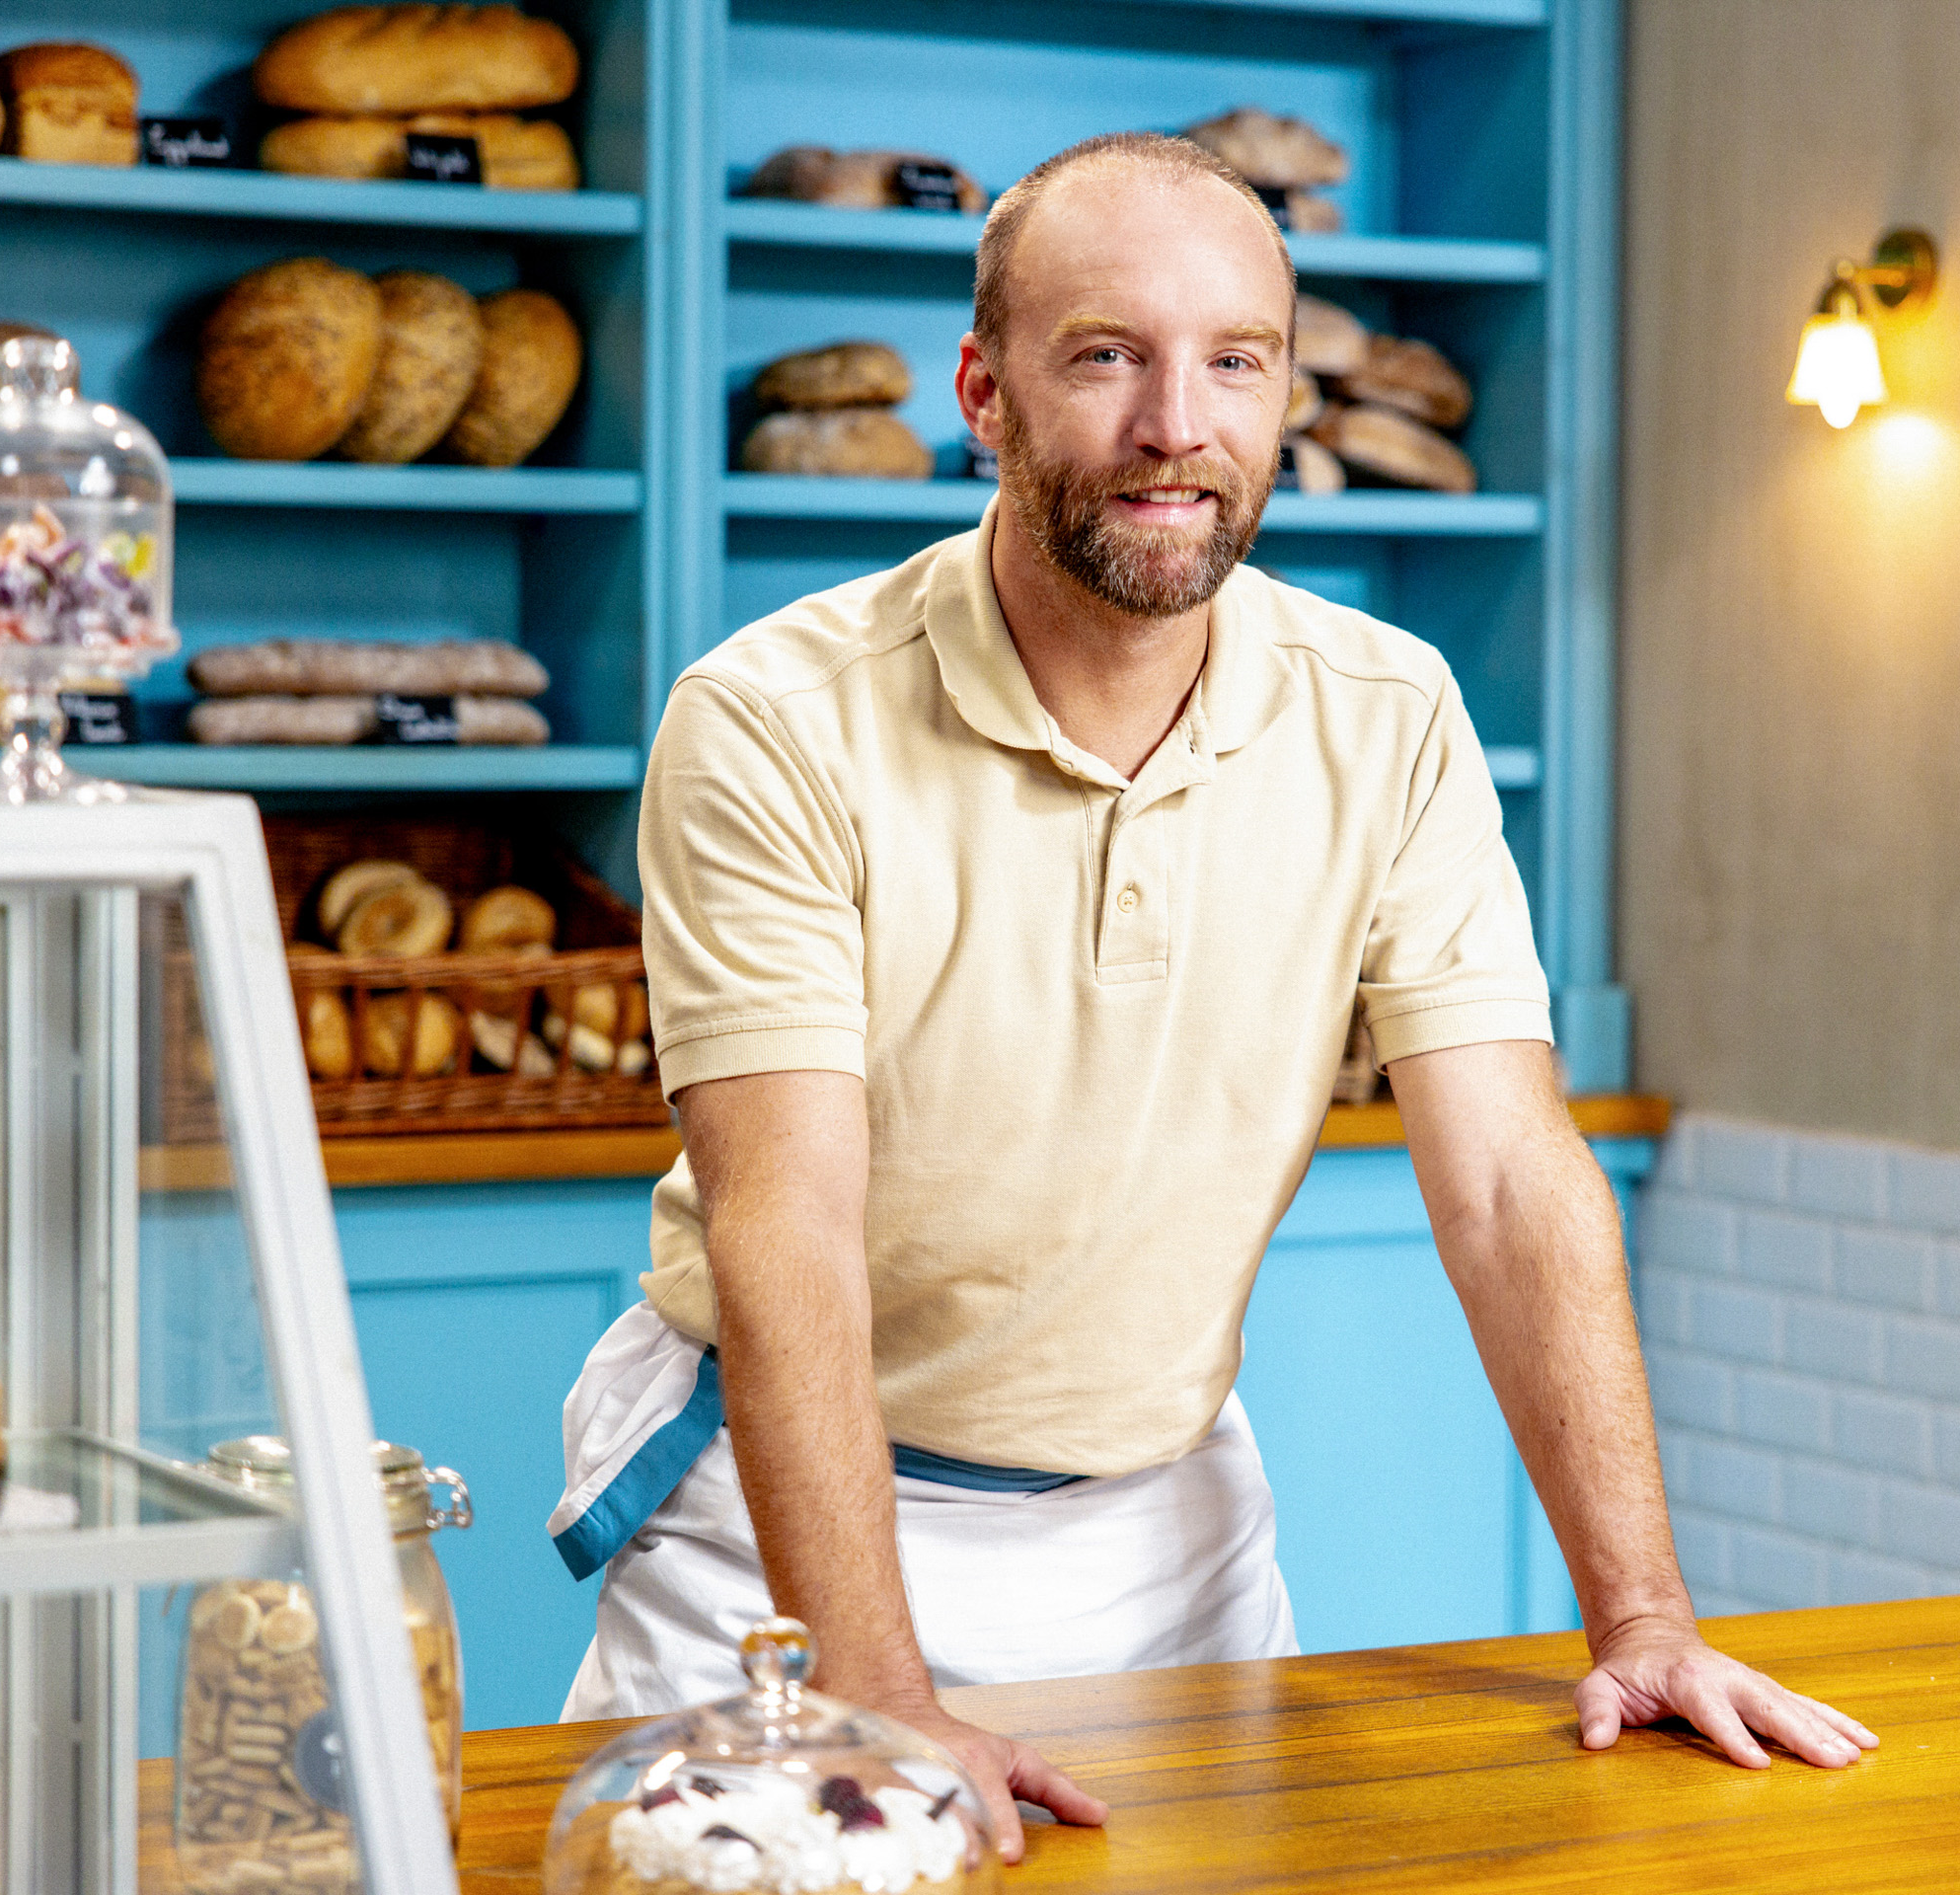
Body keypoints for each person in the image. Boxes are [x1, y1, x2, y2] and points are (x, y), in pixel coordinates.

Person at [550, 130, 1875, 1857]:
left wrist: (1643, 1617)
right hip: (783, 1551)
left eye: (1236, 362)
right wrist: (875, 1687)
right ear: (985, 392)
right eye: (1107, 355)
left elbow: (1506, 1178)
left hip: (1167, 1529)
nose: (1177, 424)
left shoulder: (1390, 712)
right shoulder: (772, 722)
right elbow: (784, 1222)